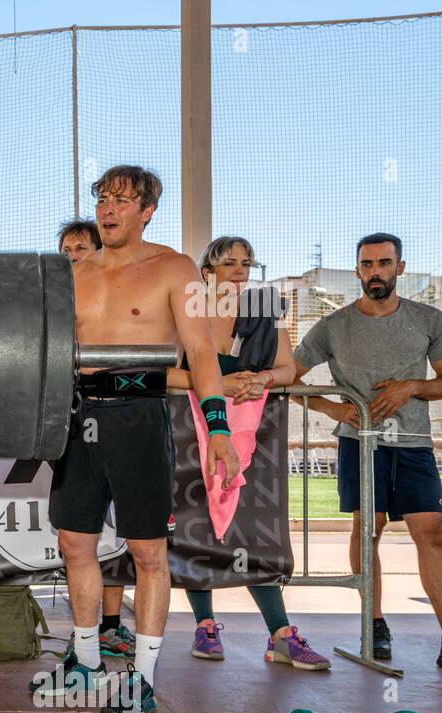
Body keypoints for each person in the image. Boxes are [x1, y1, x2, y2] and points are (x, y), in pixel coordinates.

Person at [38, 165, 239, 713]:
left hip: (140, 417)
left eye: (122, 201)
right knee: (75, 544)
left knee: (149, 553)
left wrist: (218, 428)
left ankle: (143, 679)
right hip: (80, 417)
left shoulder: (174, 268)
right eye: (103, 198)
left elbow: (200, 354)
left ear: (147, 210)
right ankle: (84, 664)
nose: (108, 209)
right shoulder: (71, 272)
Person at [167, 237, 327, 669]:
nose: (239, 270)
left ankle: (280, 634)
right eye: (228, 263)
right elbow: (162, 373)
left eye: (246, 263)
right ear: (206, 271)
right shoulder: (187, 309)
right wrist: (218, 386)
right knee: (193, 523)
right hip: (188, 427)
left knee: (254, 527)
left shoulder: (263, 307)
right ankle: (204, 625)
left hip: (251, 429)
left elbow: (288, 367)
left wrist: (263, 380)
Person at [293, 233, 442, 669]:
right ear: (358, 270)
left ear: (399, 267)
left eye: (383, 263)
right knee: (368, 527)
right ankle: (373, 624)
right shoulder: (333, 326)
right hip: (360, 443)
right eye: (366, 264)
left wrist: (413, 386)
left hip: (412, 443)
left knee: (431, 532)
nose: (374, 271)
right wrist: (333, 405)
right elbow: (290, 378)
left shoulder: (429, 319)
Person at [58, 219, 135, 658]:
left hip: (123, 417)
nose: (73, 254)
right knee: (75, 535)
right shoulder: (57, 298)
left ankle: (111, 624)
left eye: (81, 246)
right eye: (66, 248)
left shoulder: (118, 289)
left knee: (123, 531)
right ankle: (84, 638)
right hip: (71, 421)